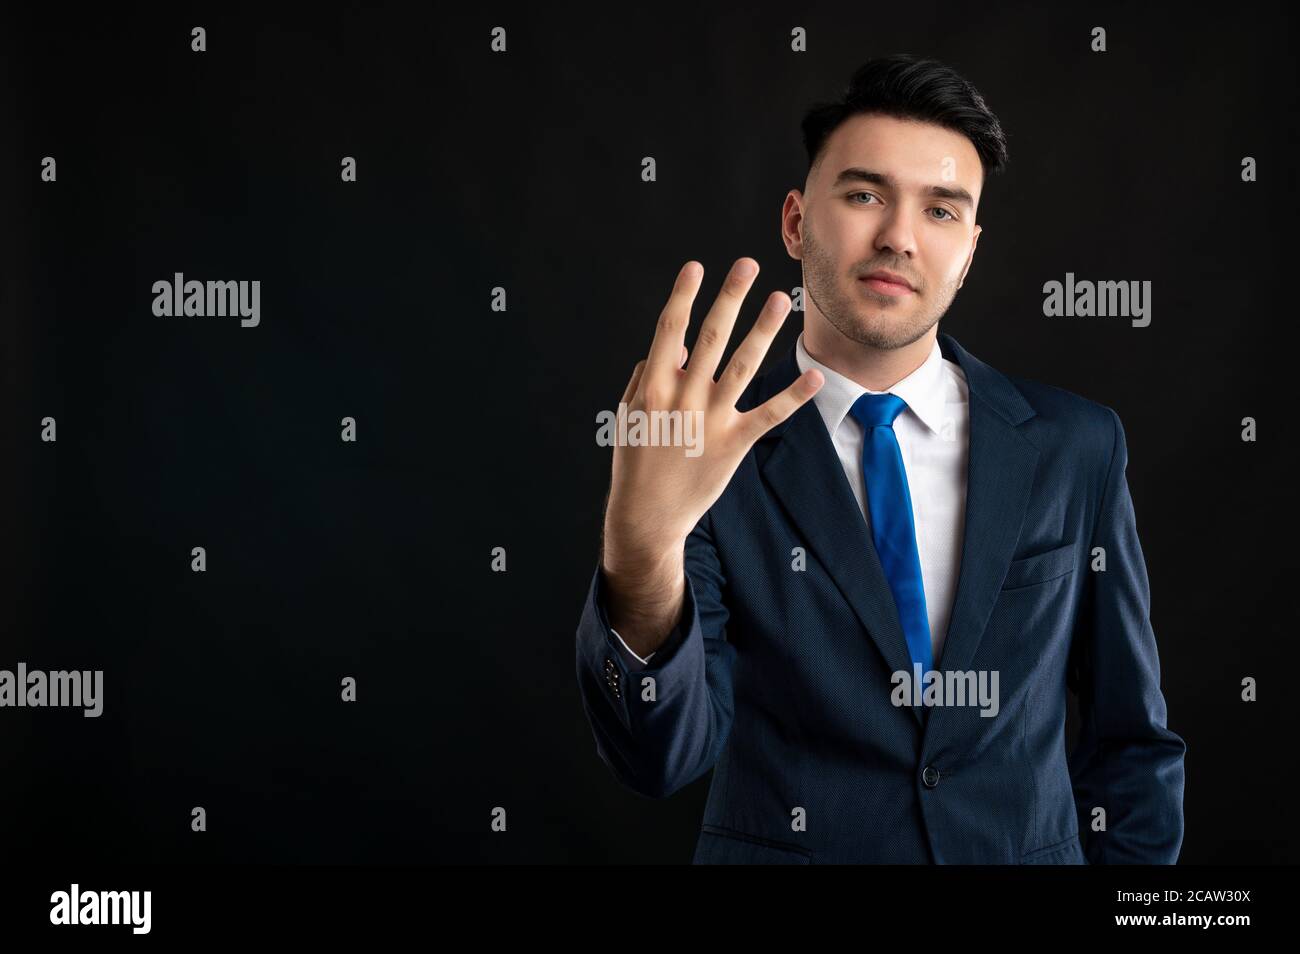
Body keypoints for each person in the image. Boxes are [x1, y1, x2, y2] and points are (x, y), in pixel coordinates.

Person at [574, 54, 1186, 864]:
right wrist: (640, 557)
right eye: (865, 195)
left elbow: (1132, 745)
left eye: (940, 211)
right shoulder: (709, 447)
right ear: (795, 222)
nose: (898, 237)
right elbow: (661, 759)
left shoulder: (1077, 446)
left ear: (968, 251)